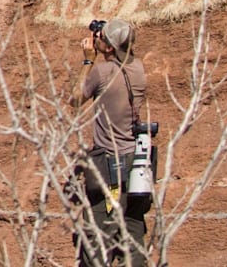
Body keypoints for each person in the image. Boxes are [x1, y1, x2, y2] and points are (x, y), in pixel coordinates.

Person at [78, 19, 150, 267]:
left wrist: (88, 61)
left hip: (110, 164)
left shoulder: (102, 72)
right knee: (132, 226)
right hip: (136, 162)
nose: (97, 39)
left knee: (98, 230)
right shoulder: (138, 68)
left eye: (101, 37)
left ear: (109, 47)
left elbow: (75, 99)